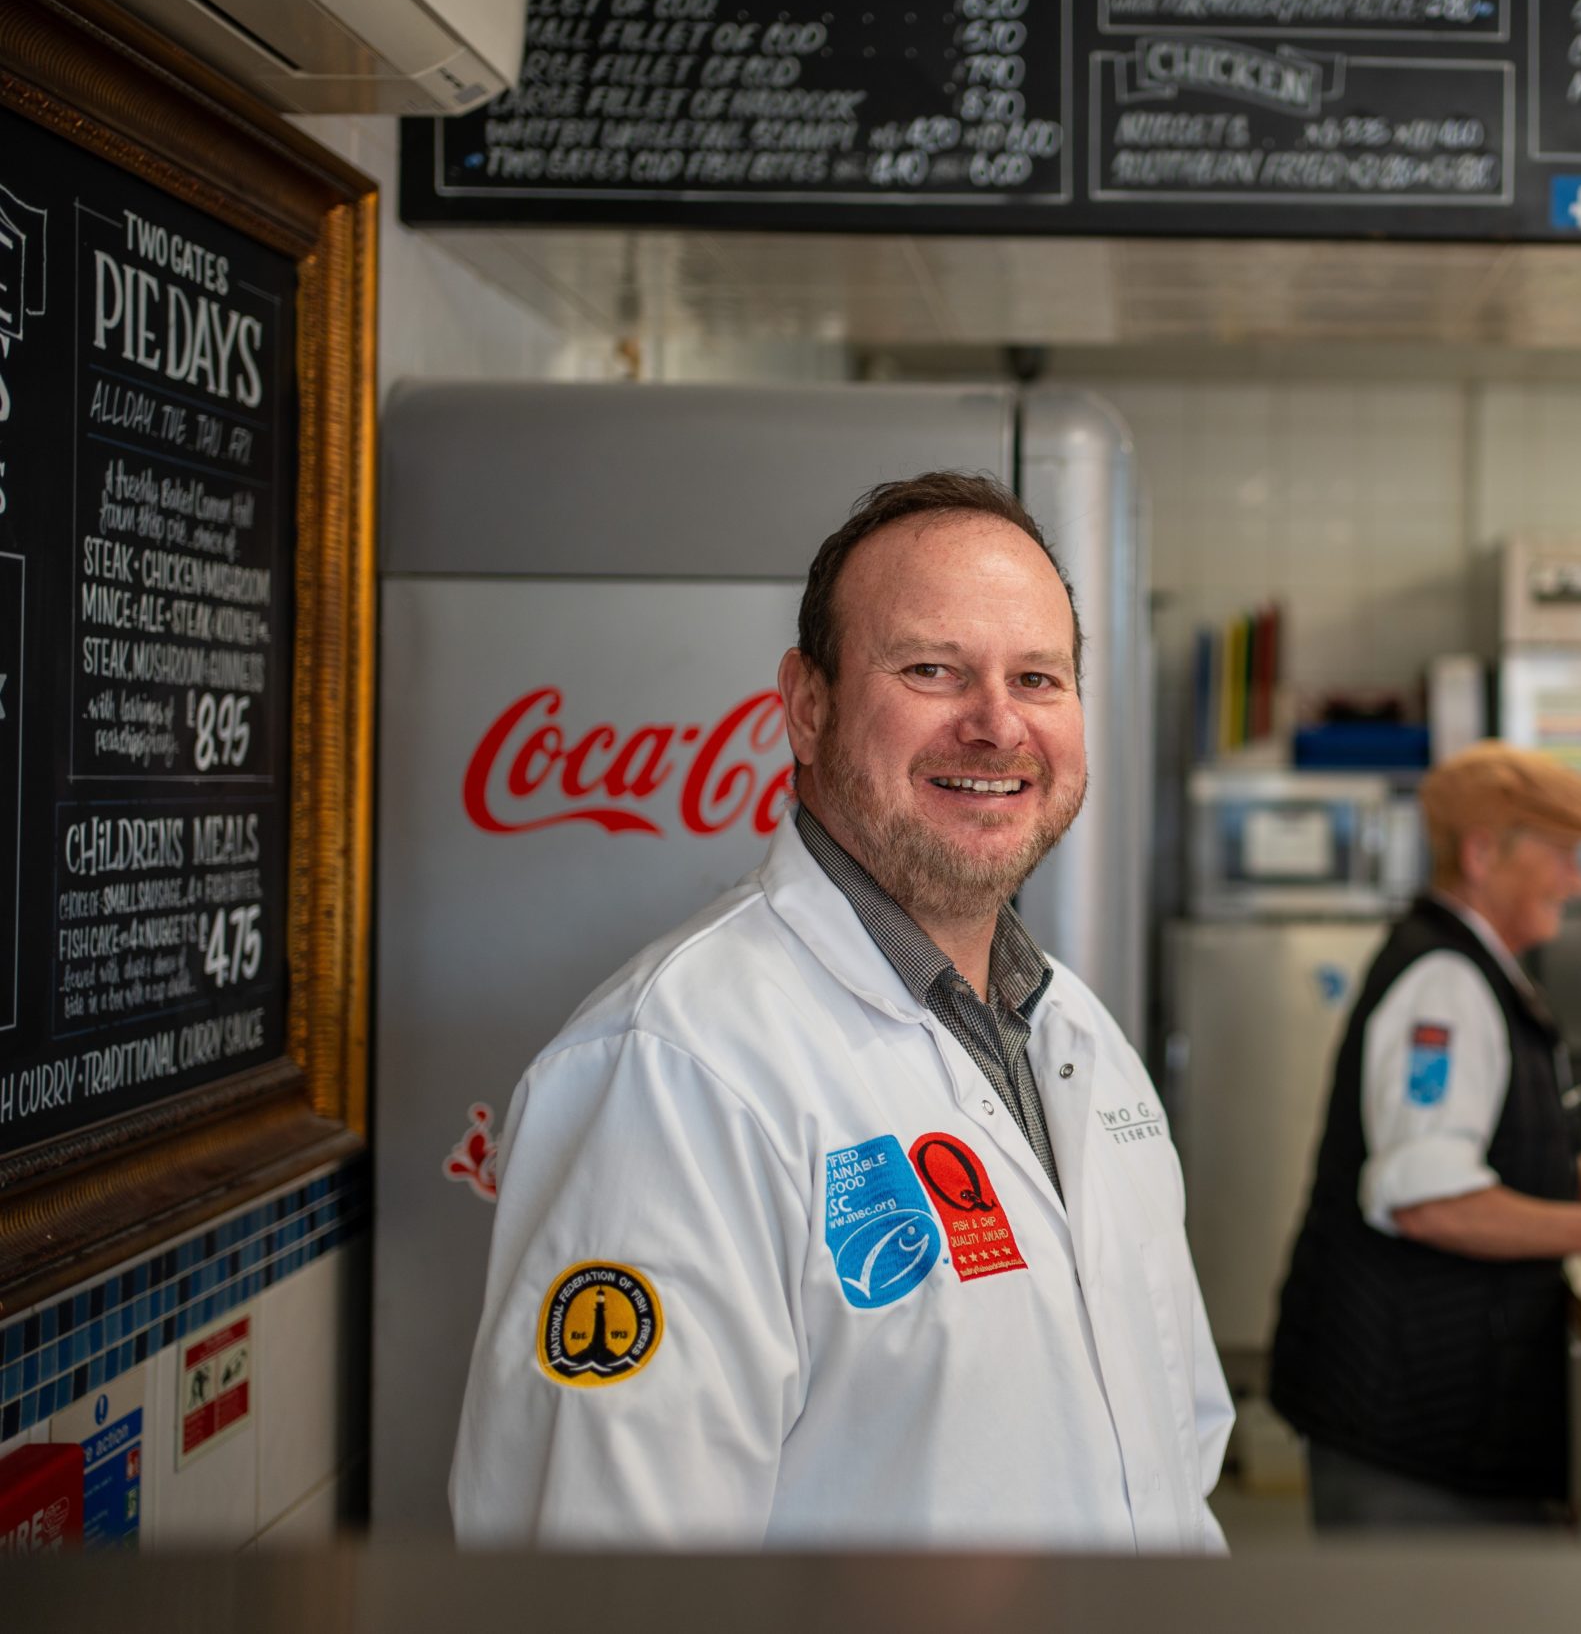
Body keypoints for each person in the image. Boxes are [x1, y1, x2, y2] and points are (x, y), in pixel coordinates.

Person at [450, 473, 1231, 1550]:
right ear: (807, 707)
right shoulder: (670, 1072)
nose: (997, 723)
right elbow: (606, 1581)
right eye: (931, 669)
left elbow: (1176, 1469)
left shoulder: (1077, 1037)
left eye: (1038, 677)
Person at [1268, 743, 1581, 1531]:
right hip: (1407, 1425)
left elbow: (1515, 1151)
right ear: (1484, 854)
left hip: (1446, 1417)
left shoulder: (1483, 969)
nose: (1578, 883)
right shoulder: (1443, 989)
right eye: (1562, 856)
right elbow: (1428, 1199)